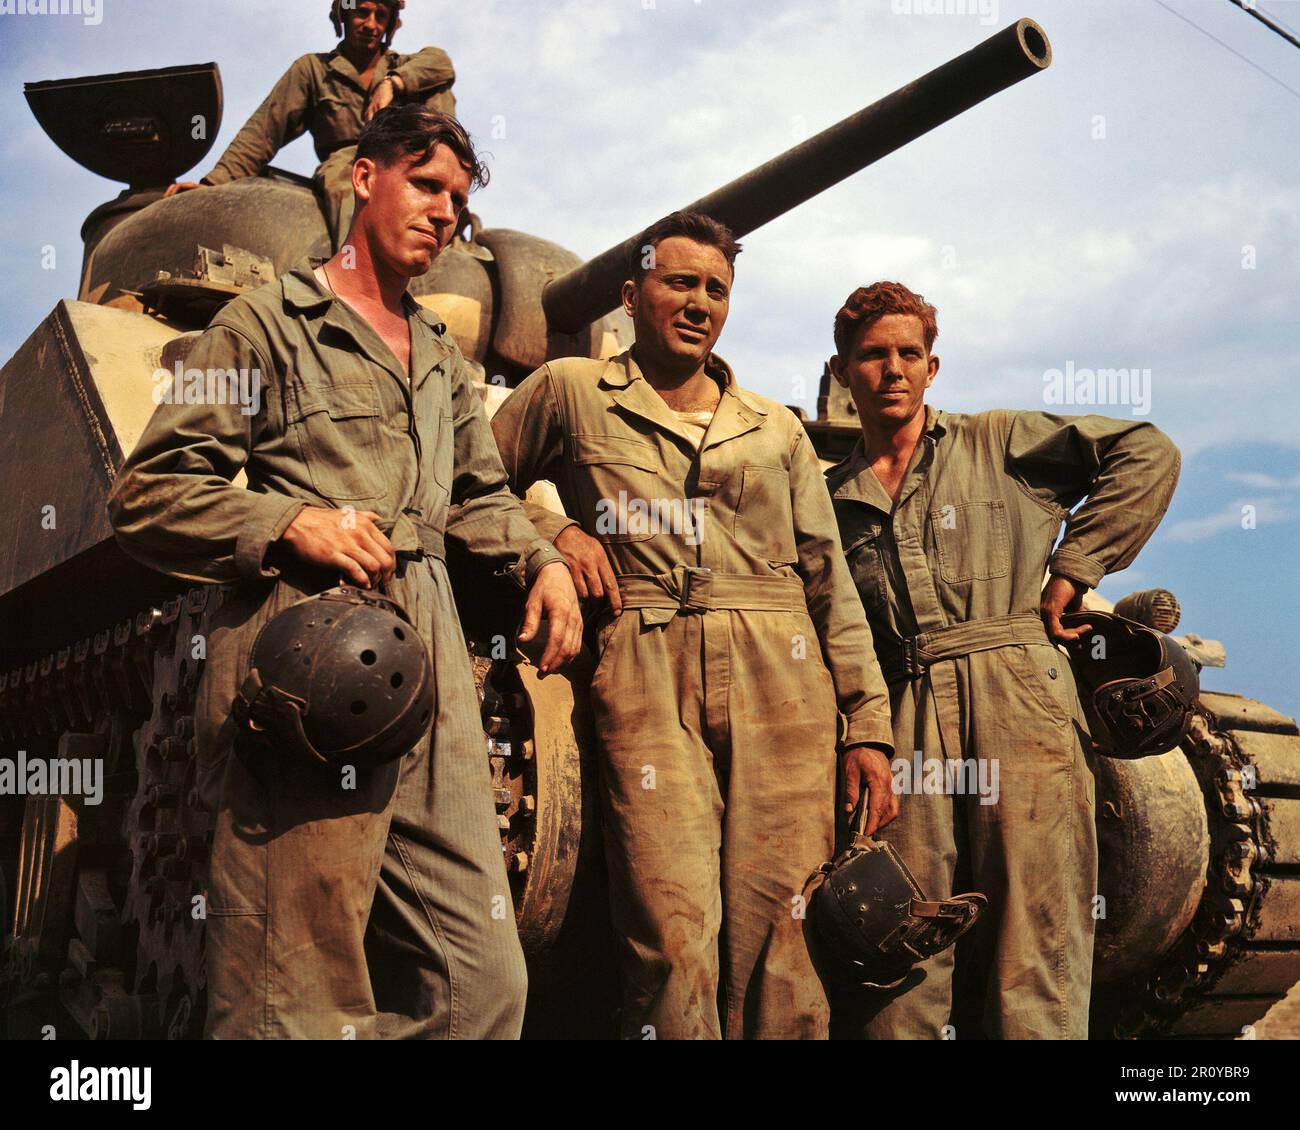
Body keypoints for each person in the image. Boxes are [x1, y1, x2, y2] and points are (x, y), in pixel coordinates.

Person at [108, 105, 582, 1039]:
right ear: (364, 178)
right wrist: (288, 522)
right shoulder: (266, 327)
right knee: (291, 992)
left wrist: (542, 557)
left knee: (485, 988)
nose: (444, 212)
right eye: (425, 184)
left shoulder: (442, 359)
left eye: (458, 198)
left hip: (431, 663)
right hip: (313, 652)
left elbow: (478, 494)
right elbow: (148, 495)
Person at [489, 211, 896, 1040]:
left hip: (783, 680)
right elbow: (468, 487)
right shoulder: (570, 391)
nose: (700, 302)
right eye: (680, 282)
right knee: (668, 938)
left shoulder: (774, 427)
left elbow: (829, 582)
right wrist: (553, 531)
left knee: (787, 940)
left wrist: (868, 728)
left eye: (717, 288)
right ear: (632, 296)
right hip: (645, 668)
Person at [823, 281, 1181, 1039]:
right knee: (899, 945)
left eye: (908, 354)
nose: (892, 370)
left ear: (932, 367)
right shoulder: (830, 498)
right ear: (844, 369)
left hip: (1019, 694)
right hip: (906, 708)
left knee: (1038, 941)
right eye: (873, 355)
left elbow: (1148, 452)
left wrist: (1079, 564)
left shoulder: (1000, 441)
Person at [168, 0, 457, 248]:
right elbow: (264, 130)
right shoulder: (314, 70)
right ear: (342, 15)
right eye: (361, 12)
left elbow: (441, 62)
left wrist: (394, 83)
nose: (370, 24)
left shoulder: (404, 65)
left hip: (407, 160)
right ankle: (359, 276)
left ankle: (448, 192)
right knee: (349, 185)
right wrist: (213, 184)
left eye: (380, 16)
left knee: (439, 89)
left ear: (390, 25)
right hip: (347, 162)